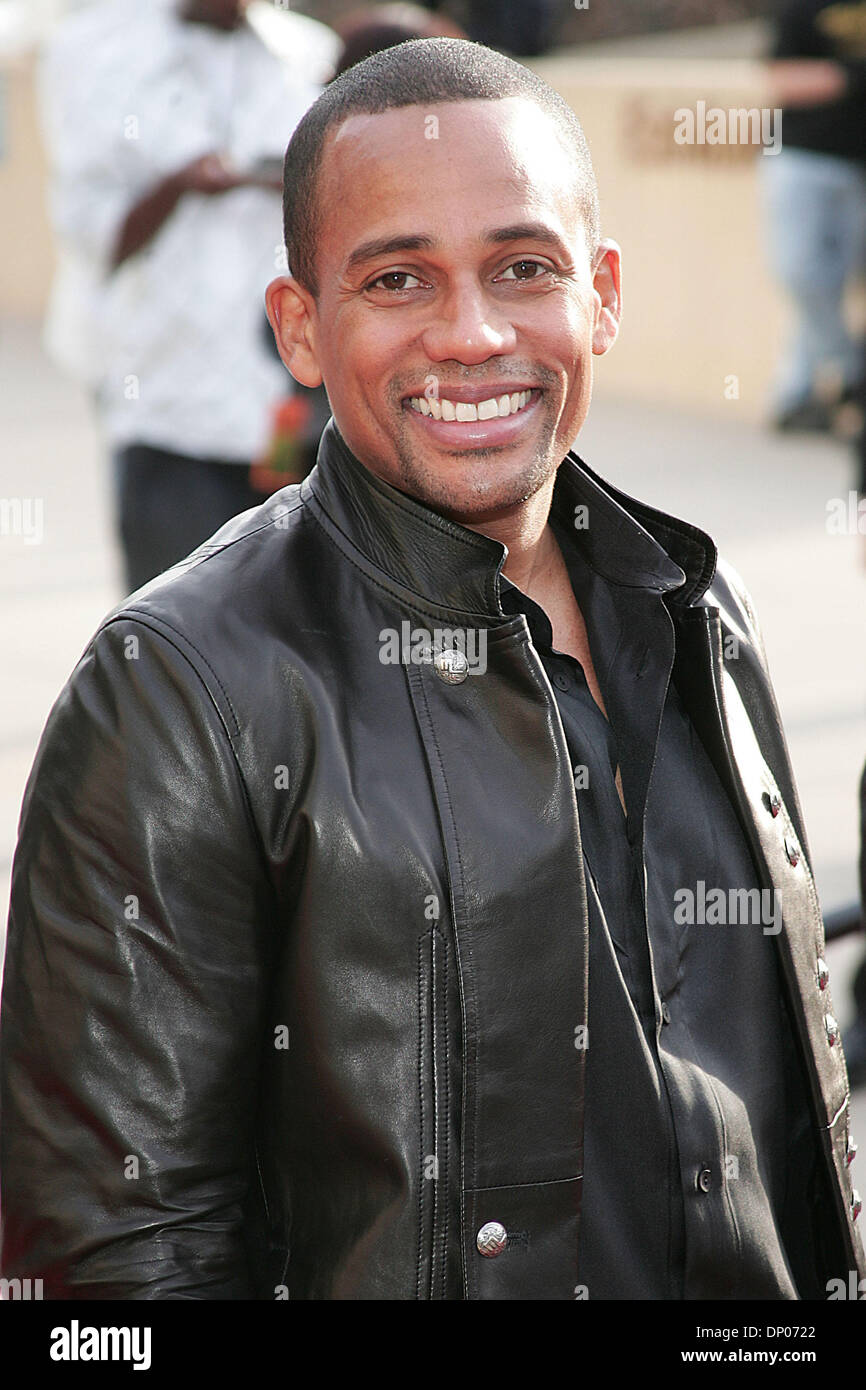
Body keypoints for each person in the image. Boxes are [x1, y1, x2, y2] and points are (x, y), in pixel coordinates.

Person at [1, 38, 863, 1301]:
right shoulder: (179, 689)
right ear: (299, 326)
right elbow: (112, 1262)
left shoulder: (690, 602)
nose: (472, 335)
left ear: (601, 295)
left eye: (523, 268)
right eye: (398, 278)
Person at [38, 0, 337, 592]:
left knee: (283, 610)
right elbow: (95, 239)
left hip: (284, 403)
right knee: (172, 616)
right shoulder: (97, 52)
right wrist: (179, 185)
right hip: (165, 403)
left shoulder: (304, 53)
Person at [763, 0, 866, 433]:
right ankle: (850, 369)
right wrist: (852, 76)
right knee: (802, 273)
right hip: (801, 158)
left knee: (840, 278)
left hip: (859, 164)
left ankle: (799, 394)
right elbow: (783, 78)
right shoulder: (803, 7)